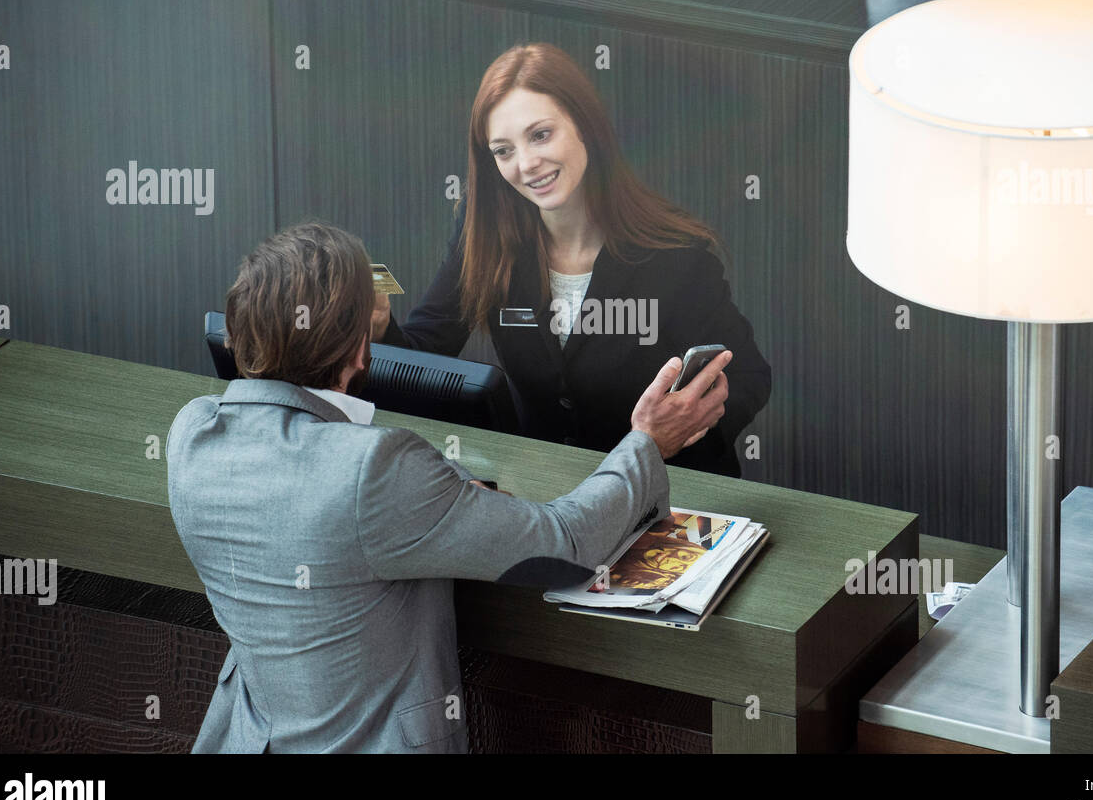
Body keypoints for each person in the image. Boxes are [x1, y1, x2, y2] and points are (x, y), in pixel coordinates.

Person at [166, 221, 730, 753]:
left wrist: (446, 492)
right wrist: (647, 443)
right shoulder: (375, 467)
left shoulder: (193, 432)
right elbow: (567, 544)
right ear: (361, 349)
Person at [376, 43, 770, 477]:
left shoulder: (676, 256)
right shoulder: (485, 234)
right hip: (549, 497)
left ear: (585, 126)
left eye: (540, 135)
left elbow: (750, 377)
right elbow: (421, 359)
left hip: (668, 496)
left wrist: (681, 430)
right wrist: (379, 328)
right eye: (503, 151)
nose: (526, 164)